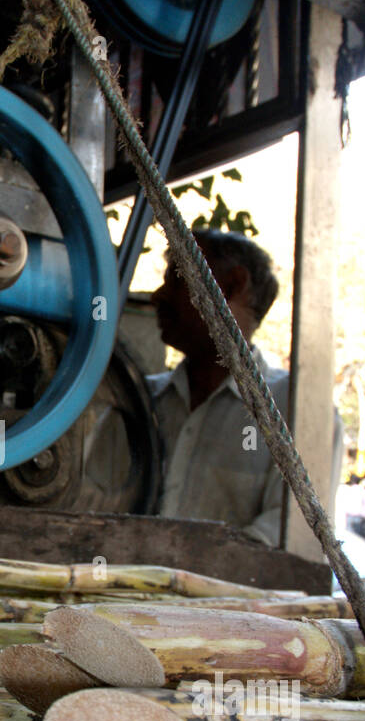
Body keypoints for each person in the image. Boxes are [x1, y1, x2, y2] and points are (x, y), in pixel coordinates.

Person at [143, 227, 342, 545]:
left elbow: (288, 538)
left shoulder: (296, 413)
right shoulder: (142, 399)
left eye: (177, 279)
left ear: (234, 285)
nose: (157, 296)